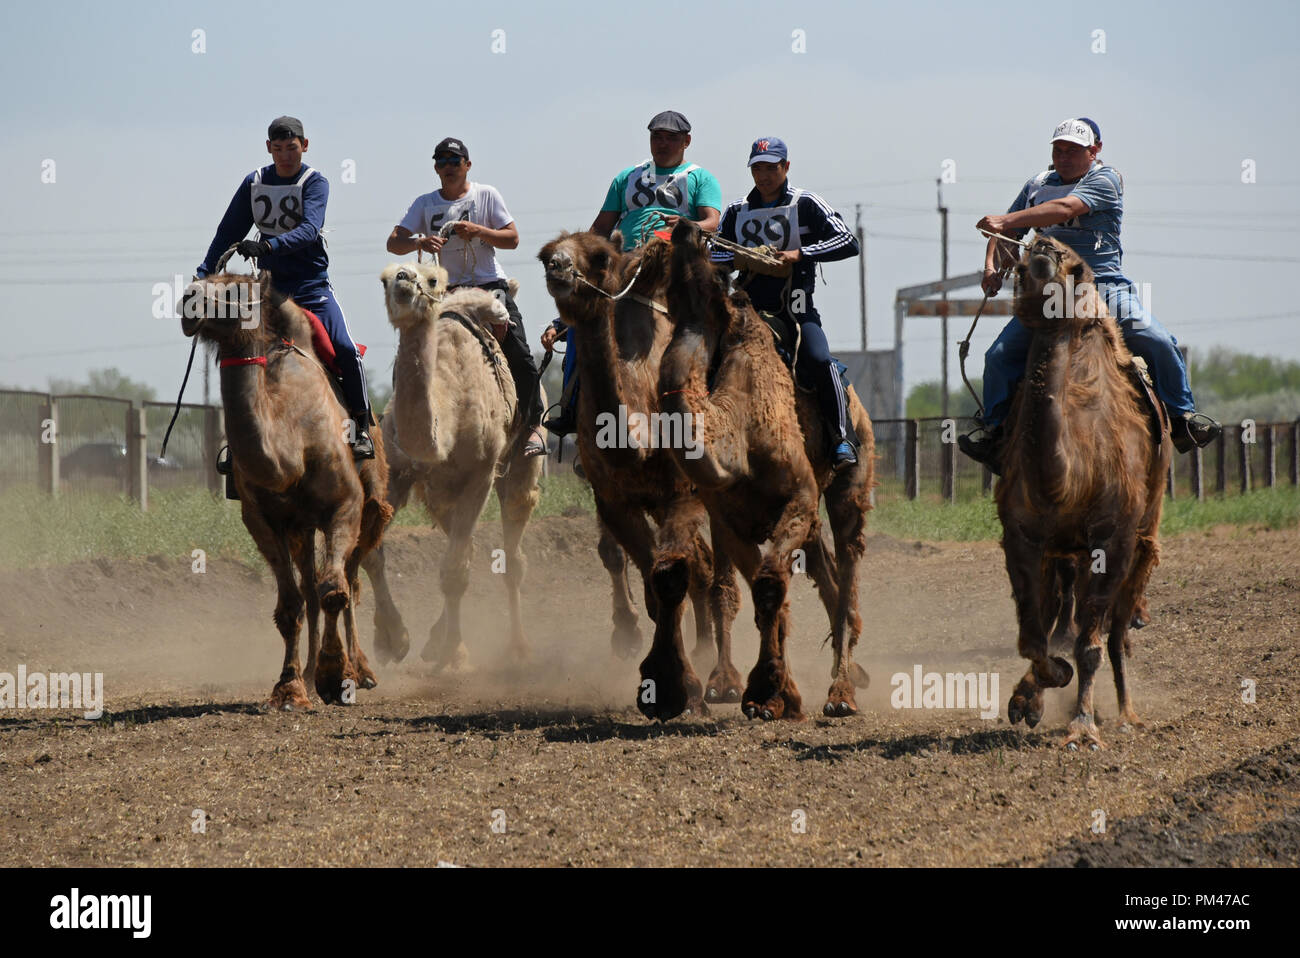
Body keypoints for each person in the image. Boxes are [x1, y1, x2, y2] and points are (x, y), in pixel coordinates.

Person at [959, 117, 1221, 474]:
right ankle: (997, 433)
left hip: (1103, 287)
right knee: (999, 356)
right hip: (1050, 294)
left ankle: (1182, 418)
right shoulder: (1037, 184)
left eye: (1073, 150)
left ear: (1094, 150)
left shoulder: (1105, 179)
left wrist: (1005, 223)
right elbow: (1009, 230)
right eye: (1059, 149)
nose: (1064, 156)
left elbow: (1061, 209)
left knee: (1157, 340)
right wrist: (992, 266)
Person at [197, 115, 374, 460]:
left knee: (345, 348)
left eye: (291, 148)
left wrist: (268, 247)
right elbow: (228, 231)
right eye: (277, 149)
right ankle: (239, 441)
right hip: (269, 292)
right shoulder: (255, 182)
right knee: (238, 349)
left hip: (311, 288)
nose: (285, 156)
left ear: (304, 146)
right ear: (268, 148)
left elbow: (310, 229)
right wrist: (205, 273)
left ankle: (362, 427)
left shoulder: (315, 182)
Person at [540, 110, 722, 435]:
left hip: (672, 264)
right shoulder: (627, 176)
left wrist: (687, 225)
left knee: (714, 329)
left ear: (687, 141)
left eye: (671, 138)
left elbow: (712, 222)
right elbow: (601, 227)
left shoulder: (700, 177)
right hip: (624, 264)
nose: (663, 143)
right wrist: (582, 252)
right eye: (657, 136)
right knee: (585, 325)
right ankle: (571, 407)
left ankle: (714, 407)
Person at [387, 137, 546, 456]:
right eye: (441, 161)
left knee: (520, 354)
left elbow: (512, 239)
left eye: (454, 161)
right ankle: (408, 426)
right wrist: (420, 243)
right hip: (448, 290)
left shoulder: (486, 195)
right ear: (435, 168)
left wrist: (479, 232)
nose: (447, 167)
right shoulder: (425, 203)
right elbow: (394, 242)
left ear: (467, 165)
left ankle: (534, 428)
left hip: (489, 284)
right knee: (414, 351)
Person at [710, 136, 861, 470]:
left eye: (771, 168)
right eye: (757, 168)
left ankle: (842, 439)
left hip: (796, 309)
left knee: (820, 359)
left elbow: (848, 241)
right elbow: (712, 254)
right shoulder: (736, 210)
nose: (764, 175)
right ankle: (695, 441)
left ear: (786, 167)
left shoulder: (806, 203)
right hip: (745, 311)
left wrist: (801, 253)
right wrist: (742, 259)